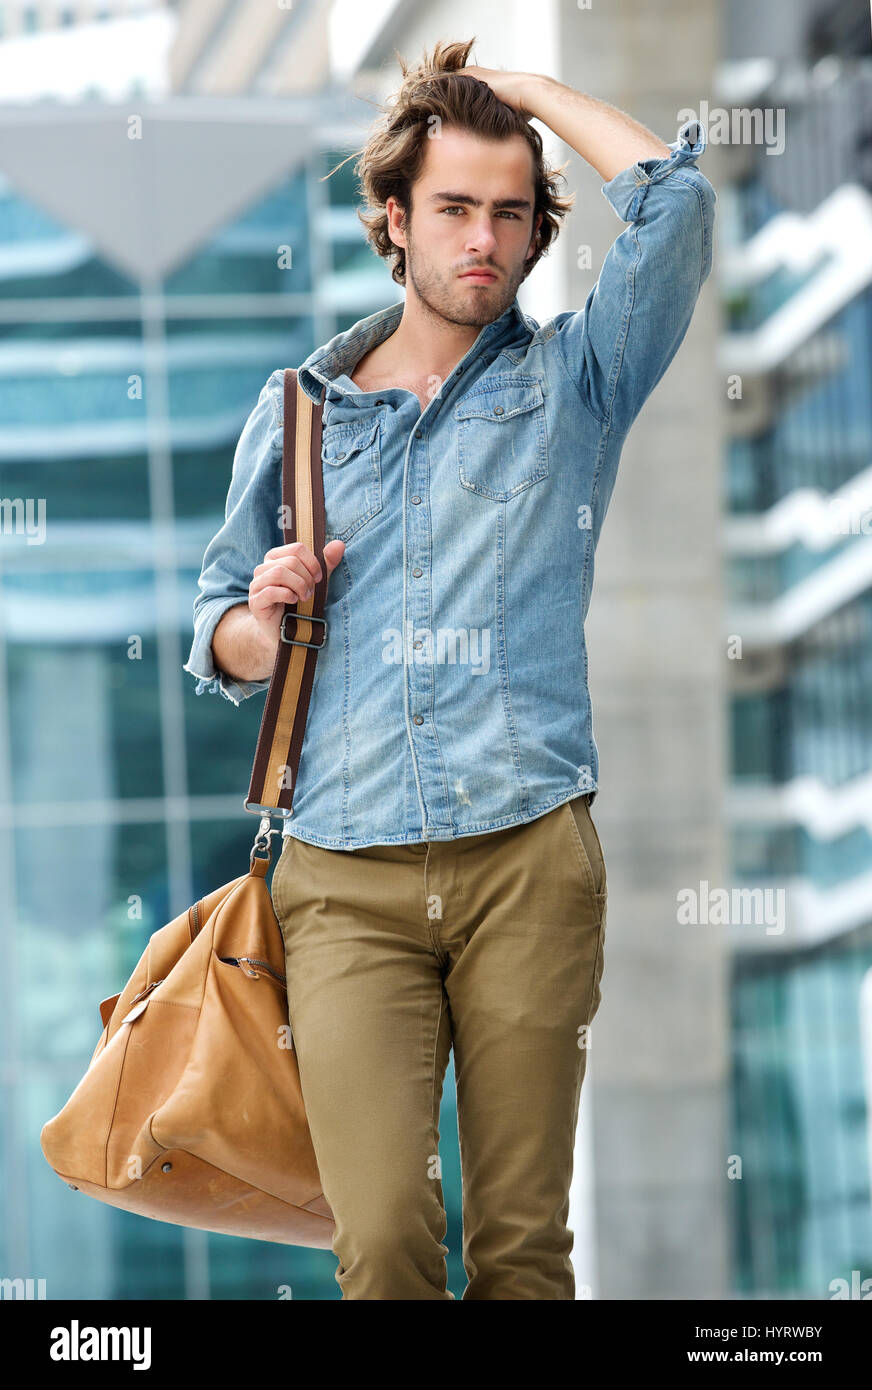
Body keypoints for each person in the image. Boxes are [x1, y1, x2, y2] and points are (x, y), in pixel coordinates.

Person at [183, 37, 716, 1299]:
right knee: (380, 1244)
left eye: (509, 213)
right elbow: (216, 632)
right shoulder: (300, 411)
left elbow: (678, 205)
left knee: (522, 1250)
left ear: (535, 236)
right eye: (453, 208)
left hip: (527, 854)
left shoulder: (574, 384)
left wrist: (518, 98)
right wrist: (263, 613)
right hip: (342, 875)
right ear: (393, 220)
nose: (482, 237)